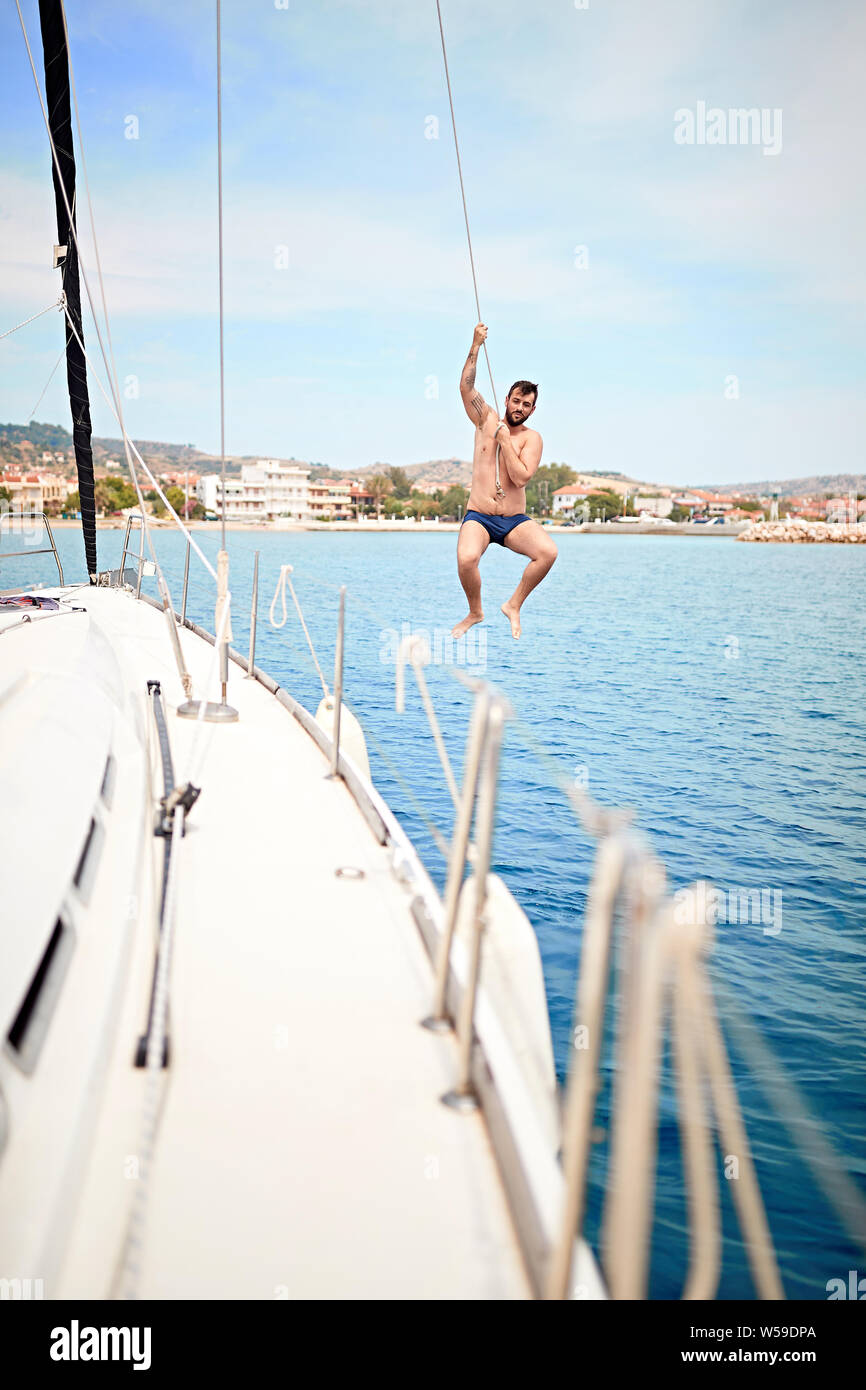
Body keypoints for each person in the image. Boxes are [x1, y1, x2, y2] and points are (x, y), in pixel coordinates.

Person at [452, 323, 556, 640]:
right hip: (480, 516)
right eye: (516, 401)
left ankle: (513, 605)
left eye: (526, 405)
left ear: (532, 409)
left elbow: (520, 477)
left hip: (512, 520)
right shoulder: (486, 418)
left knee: (548, 553)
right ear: (508, 398)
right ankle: (475, 611)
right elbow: (466, 388)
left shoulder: (532, 439)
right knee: (467, 558)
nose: (519, 409)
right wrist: (475, 345)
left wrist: (506, 441)